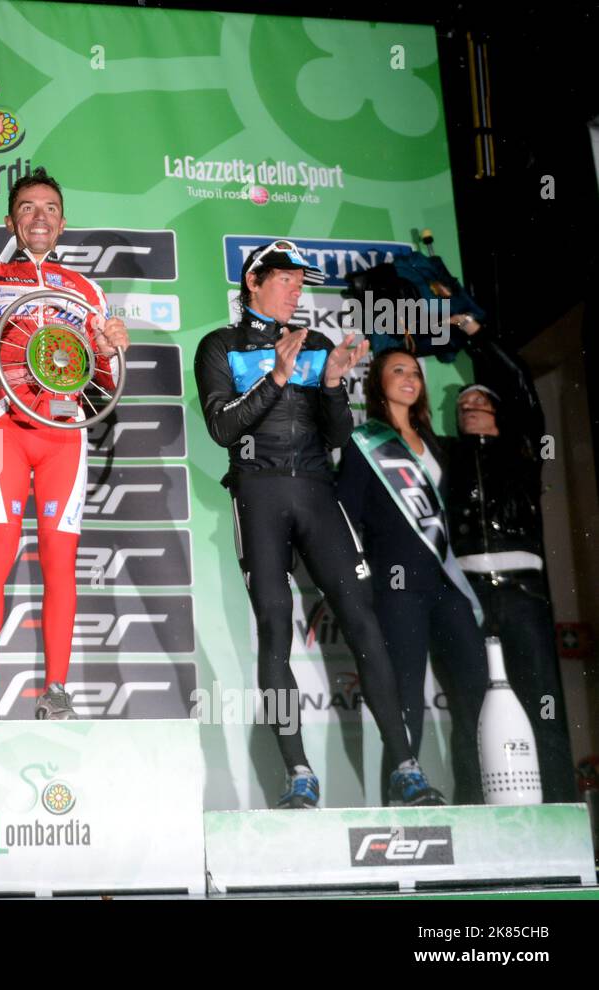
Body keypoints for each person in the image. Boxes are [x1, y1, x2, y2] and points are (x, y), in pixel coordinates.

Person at [195, 239, 444, 808]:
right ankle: (300, 774)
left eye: (301, 281)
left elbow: (336, 437)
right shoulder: (220, 345)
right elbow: (221, 428)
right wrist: (277, 377)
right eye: (285, 279)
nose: (296, 289)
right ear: (253, 282)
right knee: (276, 626)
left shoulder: (319, 344)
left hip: (316, 492)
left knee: (362, 620)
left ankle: (406, 768)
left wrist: (330, 383)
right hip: (257, 494)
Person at [0, 109, 129, 721]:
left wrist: (111, 343)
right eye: (27, 209)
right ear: (12, 221)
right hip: (6, 431)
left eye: (49, 209)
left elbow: (103, 378)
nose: (38, 217)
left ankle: (57, 695)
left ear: (63, 224)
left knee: (60, 564)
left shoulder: (85, 290)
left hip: (65, 434)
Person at [337, 350, 488, 804]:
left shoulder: (434, 442)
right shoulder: (364, 441)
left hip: (446, 584)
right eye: (397, 371)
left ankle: (475, 800)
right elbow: (346, 512)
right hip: (396, 584)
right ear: (378, 384)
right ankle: (402, 803)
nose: (409, 378)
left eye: (415, 372)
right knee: (405, 695)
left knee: (475, 690)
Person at [448, 382, 577, 801]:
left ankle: (559, 807)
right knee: (469, 708)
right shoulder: (448, 456)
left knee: (542, 700)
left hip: (523, 595)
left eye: (481, 401)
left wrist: (477, 333)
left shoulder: (522, 455)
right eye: (463, 404)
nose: (471, 408)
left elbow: (527, 400)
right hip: (470, 598)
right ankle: (473, 808)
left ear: (499, 412)